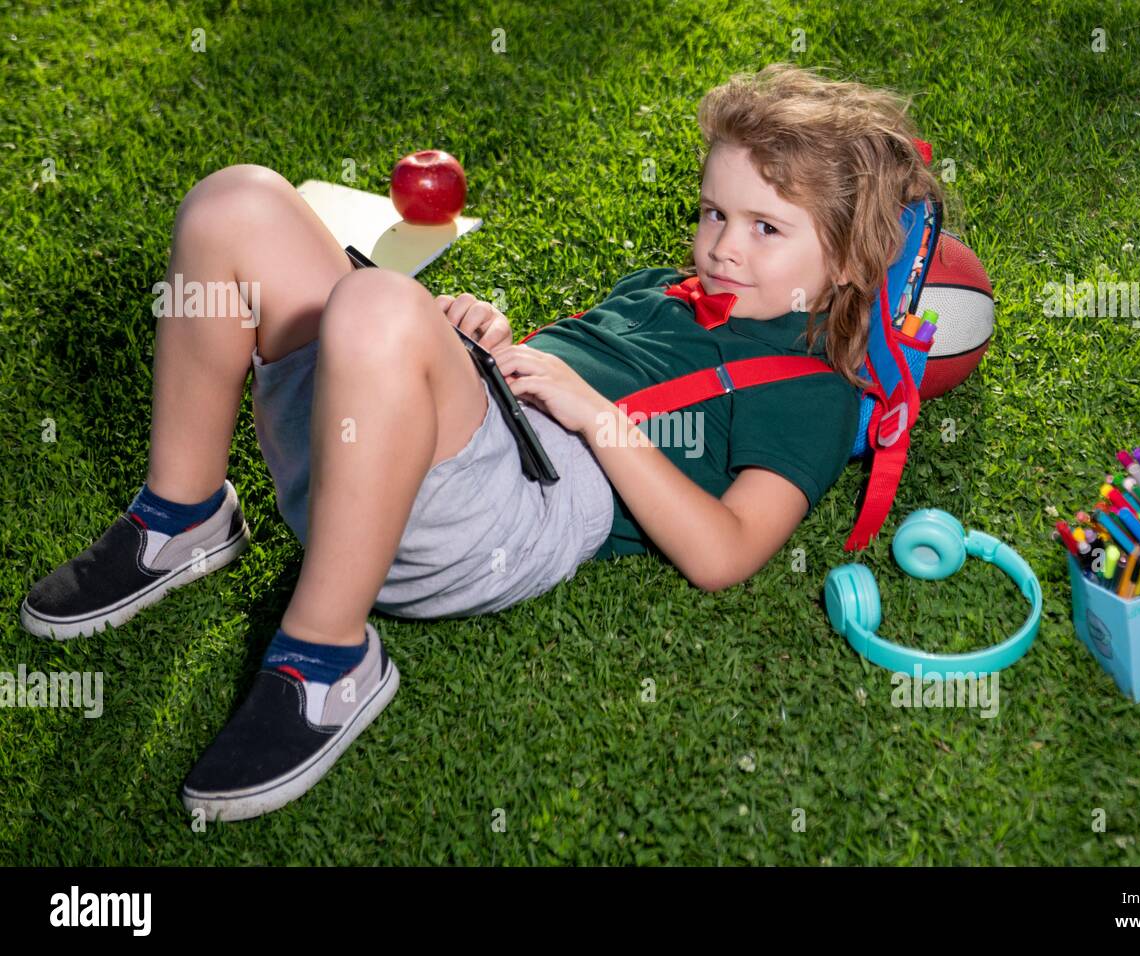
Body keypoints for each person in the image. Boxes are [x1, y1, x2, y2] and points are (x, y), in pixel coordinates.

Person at [19, 63, 947, 821]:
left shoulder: (809, 387)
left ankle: (327, 659)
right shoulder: (665, 288)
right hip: (422, 446)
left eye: (765, 228)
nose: (721, 247)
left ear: (847, 266)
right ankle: (184, 514)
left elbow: (727, 552)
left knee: (380, 302)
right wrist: (485, 346)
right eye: (713, 212)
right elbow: (544, 373)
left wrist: (592, 413)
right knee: (236, 204)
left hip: (505, 514)